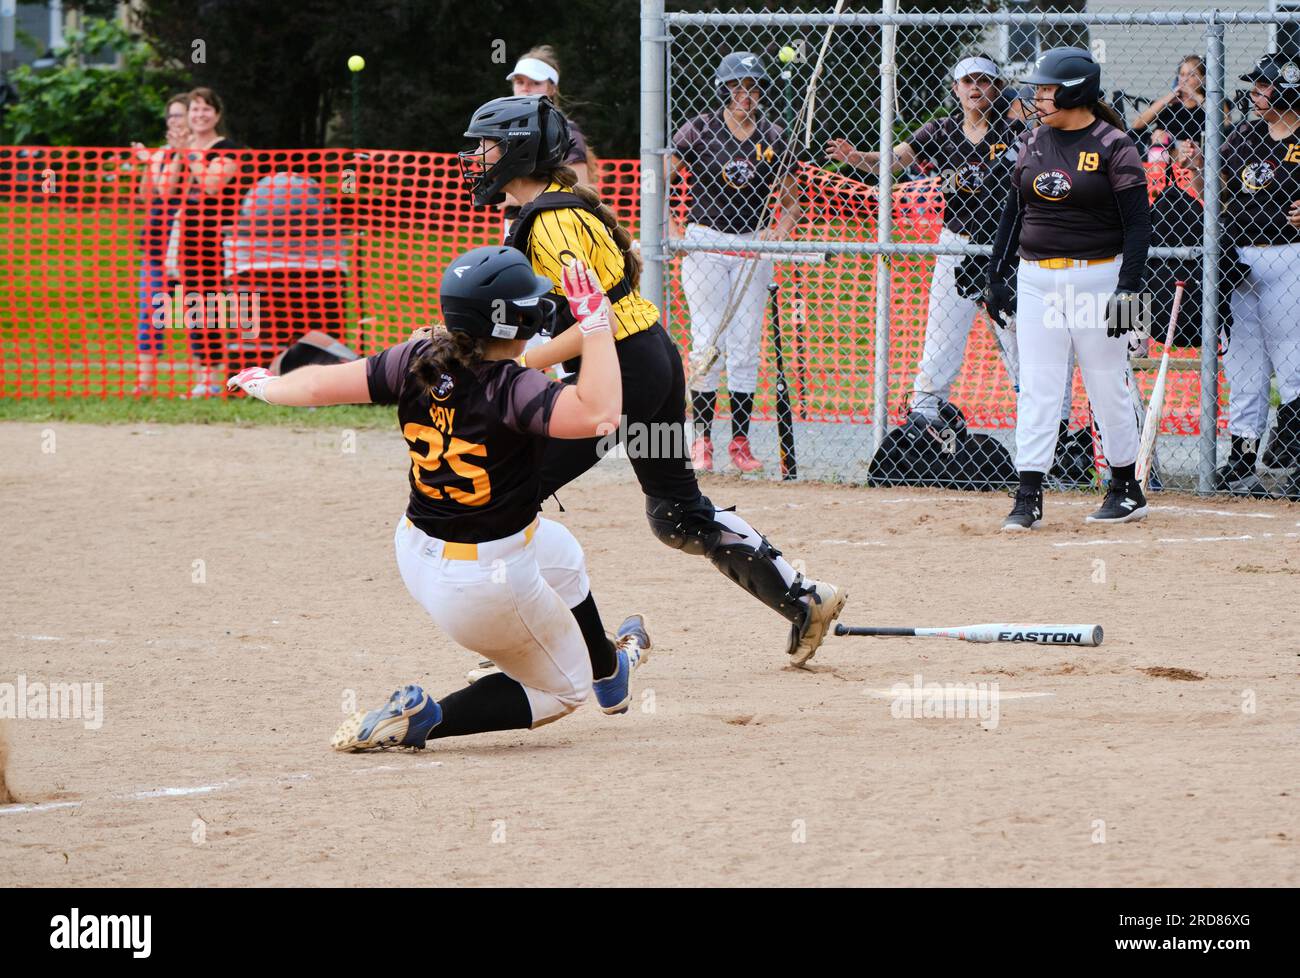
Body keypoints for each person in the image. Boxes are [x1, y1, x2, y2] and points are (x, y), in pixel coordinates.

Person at [459, 94, 846, 667]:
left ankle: (533, 647)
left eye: (487, 147)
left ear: (518, 150)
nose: (477, 159)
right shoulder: (549, 211)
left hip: (621, 372)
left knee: (508, 492)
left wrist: (523, 366)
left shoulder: (552, 221)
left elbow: (597, 317)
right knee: (676, 515)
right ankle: (802, 598)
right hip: (649, 360)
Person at [227, 247, 651, 750]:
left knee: (560, 553)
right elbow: (599, 413)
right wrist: (597, 324)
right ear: (509, 321)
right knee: (564, 689)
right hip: (483, 584)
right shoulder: (510, 387)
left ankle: (610, 669)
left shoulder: (418, 359)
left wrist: (268, 386)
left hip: (418, 548)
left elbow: (319, 385)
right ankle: (427, 718)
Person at [827, 58, 1085, 480]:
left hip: (1008, 248)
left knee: (1023, 342)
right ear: (955, 88)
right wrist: (857, 158)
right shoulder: (942, 131)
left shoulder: (1015, 132)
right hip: (957, 243)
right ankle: (924, 421)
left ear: (997, 87)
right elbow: (894, 159)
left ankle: (1047, 432)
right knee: (941, 335)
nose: (975, 88)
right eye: (967, 81)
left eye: (984, 80)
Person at [984, 47, 1153, 529]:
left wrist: (1129, 291)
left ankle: (1125, 487)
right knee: (1038, 385)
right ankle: (1028, 493)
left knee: (1109, 386)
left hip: (1102, 278)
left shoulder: (1114, 143)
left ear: (1076, 91)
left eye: (1046, 89)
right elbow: (1013, 212)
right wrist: (996, 275)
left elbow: (1139, 226)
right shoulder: (1033, 140)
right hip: (1038, 278)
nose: (1037, 96)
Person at [1195, 55, 1300, 497]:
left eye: (1265, 86)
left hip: (1290, 257)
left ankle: (1294, 457)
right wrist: (1201, 168)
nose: (1256, 93)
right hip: (1240, 260)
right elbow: (1216, 196)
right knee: (1244, 365)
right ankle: (1242, 458)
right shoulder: (1244, 134)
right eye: (1255, 85)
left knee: (1292, 360)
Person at [168, 88, 242, 397]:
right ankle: (205, 377)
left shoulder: (226, 148)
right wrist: (177, 154)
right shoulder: (185, 149)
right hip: (190, 239)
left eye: (206, 109)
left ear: (217, 115)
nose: (200, 114)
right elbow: (167, 190)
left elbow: (212, 185)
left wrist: (188, 153)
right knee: (194, 307)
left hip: (222, 241)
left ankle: (230, 377)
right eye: (195, 109)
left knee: (222, 306)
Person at [129, 93, 189, 395]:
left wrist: (172, 155)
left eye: (181, 115)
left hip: (189, 247)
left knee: (199, 314)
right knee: (151, 312)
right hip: (157, 246)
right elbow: (148, 195)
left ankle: (208, 382)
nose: (175, 122)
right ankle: (144, 384)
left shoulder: (197, 152)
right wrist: (151, 161)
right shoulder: (164, 153)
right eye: (172, 116)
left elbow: (169, 189)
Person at [506, 45, 595, 187]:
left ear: (552, 89)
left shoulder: (566, 129)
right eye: (519, 81)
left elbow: (580, 187)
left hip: (551, 209)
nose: (525, 88)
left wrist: (518, 196)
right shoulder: (506, 128)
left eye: (535, 82)